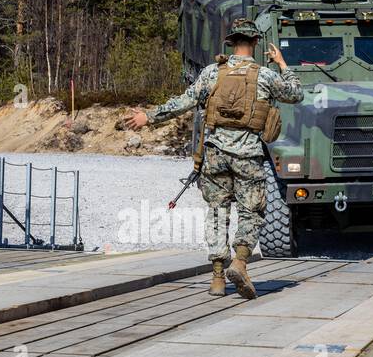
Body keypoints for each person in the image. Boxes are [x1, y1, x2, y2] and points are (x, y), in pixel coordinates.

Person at [123, 18, 302, 298]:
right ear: (255, 43)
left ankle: (218, 278)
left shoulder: (211, 73)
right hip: (247, 156)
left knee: (217, 212)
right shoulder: (265, 76)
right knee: (251, 211)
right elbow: (296, 94)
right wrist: (282, 64)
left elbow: (184, 101)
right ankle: (241, 261)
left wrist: (148, 117)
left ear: (232, 43)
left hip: (215, 156)